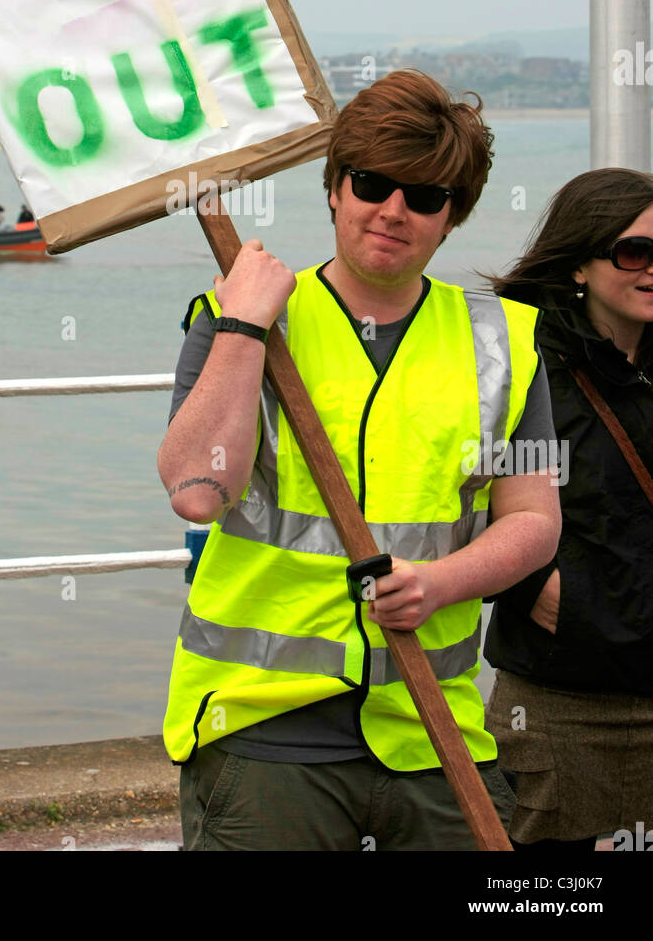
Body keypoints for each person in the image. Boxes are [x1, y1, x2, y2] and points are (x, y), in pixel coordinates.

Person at [157, 69, 562, 851]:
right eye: (372, 183)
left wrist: (440, 583)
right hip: (263, 733)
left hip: (434, 735)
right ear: (335, 189)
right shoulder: (235, 317)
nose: (393, 210)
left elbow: (535, 522)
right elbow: (197, 491)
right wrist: (244, 327)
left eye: (425, 195)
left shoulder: (506, 341)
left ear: (453, 216)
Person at [484, 167, 653, 851]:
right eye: (634, 251)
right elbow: (468, 501)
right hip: (568, 710)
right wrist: (545, 592)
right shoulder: (523, 368)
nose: (651, 270)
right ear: (580, 260)